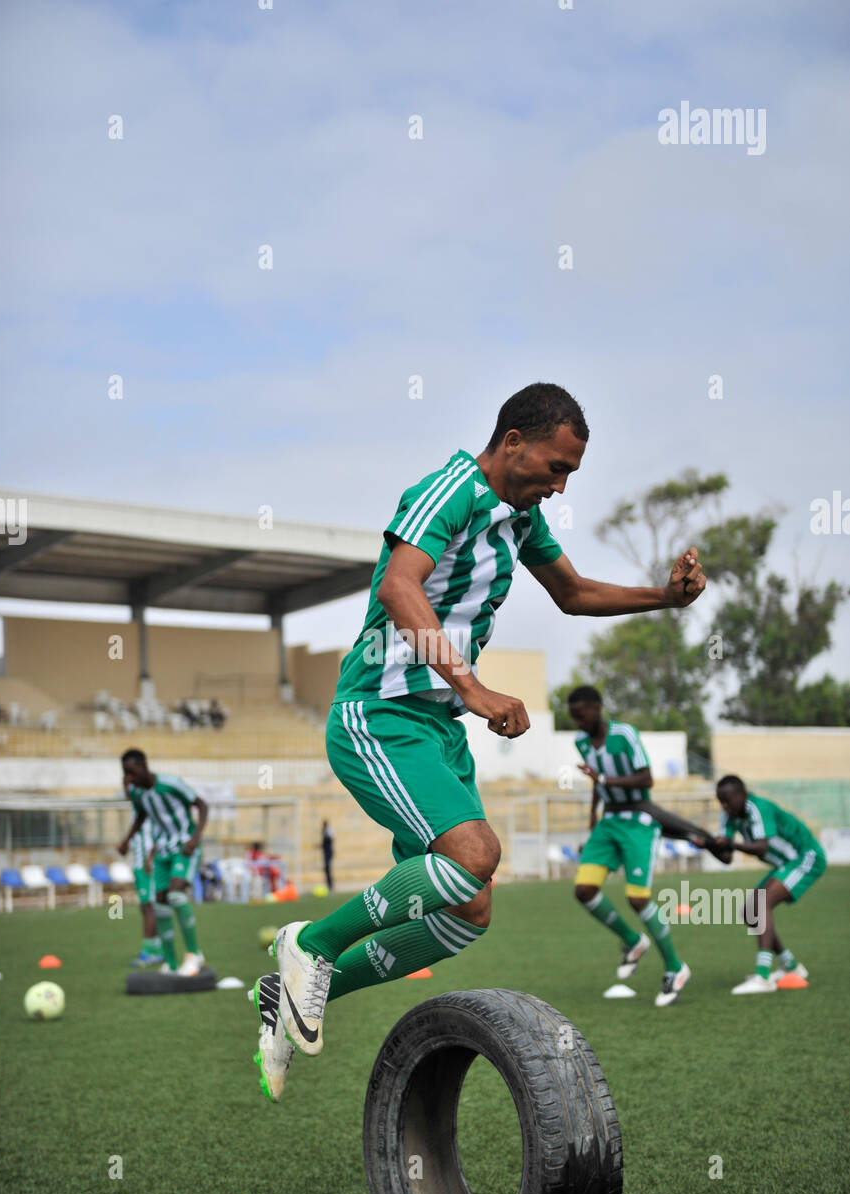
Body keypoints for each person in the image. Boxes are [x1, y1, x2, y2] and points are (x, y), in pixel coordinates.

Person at [249, 382, 706, 1101]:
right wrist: (473, 689)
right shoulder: (448, 490)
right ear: (512, 441)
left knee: (467, 911)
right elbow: (401, 588)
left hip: (435, 729)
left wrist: (666, 597)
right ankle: (310, 943)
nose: (558, 487)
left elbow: (573, 592)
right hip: (379, 713)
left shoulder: (518, 520)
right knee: (474, 856)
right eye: (553, 468)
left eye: (569, 477)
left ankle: (293, 990)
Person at [567, 687, 690, 1006]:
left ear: (597, 708)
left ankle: (676, 968)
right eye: (573, 716)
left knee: (637, 898)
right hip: (608, 823)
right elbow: (597, 781)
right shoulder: (581, 742)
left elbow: (646, 779)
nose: (578, 722)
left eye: (581, 715)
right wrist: (593, 816)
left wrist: (605, 781)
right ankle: (634, 941)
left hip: (638, 820)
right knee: (584, 890)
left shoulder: (625, 734)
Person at [698, 775, 826, 994]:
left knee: (760, 905)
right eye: (722, 802)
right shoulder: (728, 817)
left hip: (805, 856)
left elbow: (761, 848)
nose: (725, 806)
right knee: (750, 911)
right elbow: (727, 857)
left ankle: (763, 976)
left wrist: (731, 844)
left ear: (742, 795)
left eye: (728, 800)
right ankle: (792, 967)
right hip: (785, 864)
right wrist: (709, 845)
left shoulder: (758, 808)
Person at [117, 750, 209, 976]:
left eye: (131, 772)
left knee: (176, 894)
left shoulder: (170, 783)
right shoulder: (140, 793)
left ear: (144, 765)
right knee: (160, 905)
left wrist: (195, 838)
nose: (130, 777)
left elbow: (202, 805)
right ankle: (171, 962)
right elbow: (141, 816)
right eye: (125, 773)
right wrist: (127, 841)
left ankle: (194, 954)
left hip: (184, 847)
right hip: (162, 851)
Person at [121, 774, 163, 967]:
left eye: (128, 784)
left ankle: (149, 952)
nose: (125, 788)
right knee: (145, 907)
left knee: (149, 907)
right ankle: (156, 948)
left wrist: (151, 857)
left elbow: (161, 831)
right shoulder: (137, 807)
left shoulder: (149, 805)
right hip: (139, 863)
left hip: (147, 864)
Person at [321, 820, 335, 891]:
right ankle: (329, 885)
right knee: (326, 869)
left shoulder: (327, 831)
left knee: (328, 868)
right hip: (326, 852)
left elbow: (331, 839)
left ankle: (330, 885)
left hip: (328, 852)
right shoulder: (325, 832)